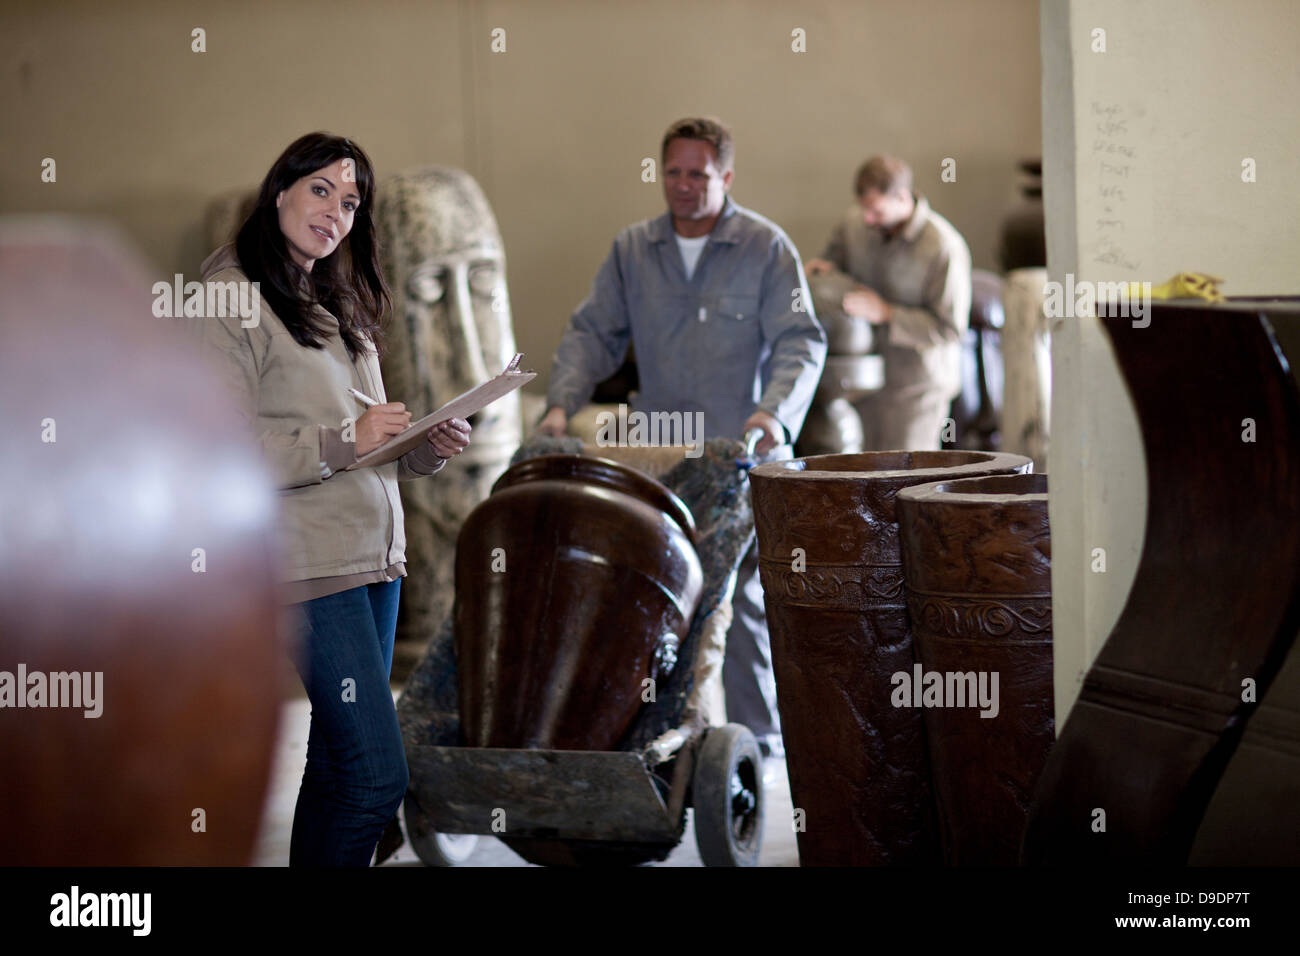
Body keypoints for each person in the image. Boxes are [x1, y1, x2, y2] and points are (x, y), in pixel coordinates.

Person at [189, 132, 472, 867]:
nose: (336, 212)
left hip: (372, 564)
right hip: (311, 569)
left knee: (341, 767)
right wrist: (345, 440)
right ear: (279, 189)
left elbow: (364, 445)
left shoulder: (329, 297)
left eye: (350, 202)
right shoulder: (227, 297)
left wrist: (421, 449)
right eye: (321, 190)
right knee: (379, 779)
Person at [538, 117, 826, 757]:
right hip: (661, 455)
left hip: (742, 456)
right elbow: (592, 334)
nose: (684, 186)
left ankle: (761, 742)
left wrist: (773, 415)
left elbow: (800, 341)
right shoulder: (633, 251)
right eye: (673, 172)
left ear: (725, 176)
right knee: (655, 594)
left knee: (742, 597)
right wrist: (560, 409)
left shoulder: (765, 249)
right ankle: (653, 739)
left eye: (698, 174)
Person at [806, 155, 971, 450]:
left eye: (877, 211)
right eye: (864, 209)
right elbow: (834, 262)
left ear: (902, 198)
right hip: (866, 381)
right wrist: (822, 273)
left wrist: (885, 313)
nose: (868, 219)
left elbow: (950, 329)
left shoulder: (943, 247)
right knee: (865, 479)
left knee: (907, 480)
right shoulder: (854, 224)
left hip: (917, 388)